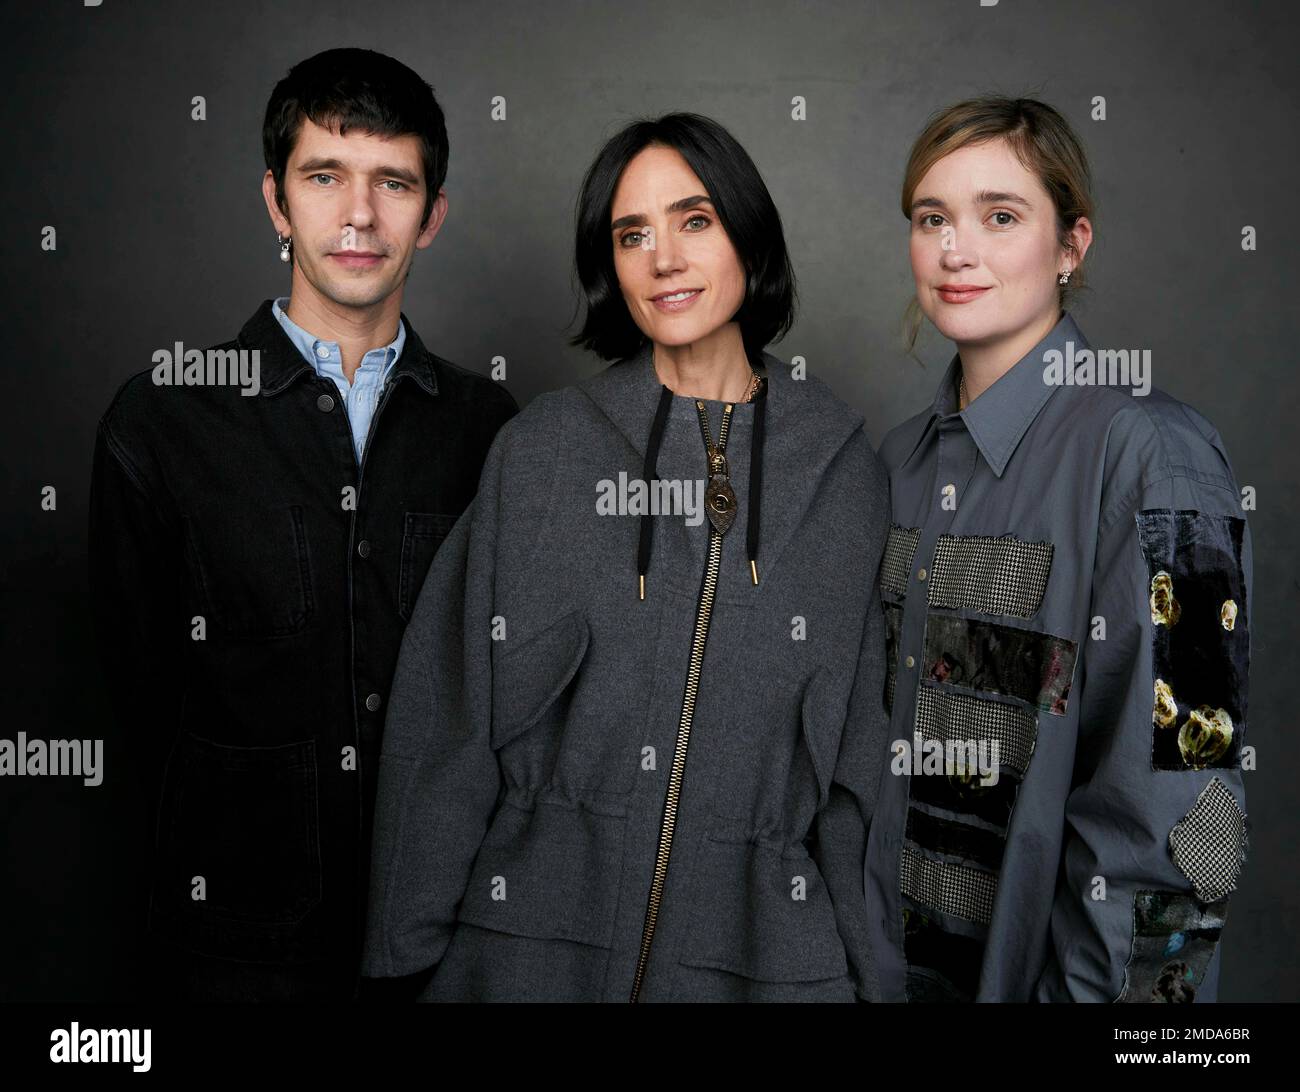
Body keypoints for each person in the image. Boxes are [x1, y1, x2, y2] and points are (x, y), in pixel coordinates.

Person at [360, 112, 891, 1001]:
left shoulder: (843, 472)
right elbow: (447, 716)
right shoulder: (542, 453)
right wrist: (402, 955)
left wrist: (875, 976)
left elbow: (858, 766)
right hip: (523, 956)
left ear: (746, 235)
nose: (664, 259)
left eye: (695, 221)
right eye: (631, 234)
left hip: (760, 964)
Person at [87, 48, 516, 1001]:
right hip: (230, 954)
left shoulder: (492, 430)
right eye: (325, 177)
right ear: (277, 203)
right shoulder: (161, 420)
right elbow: (135, 701)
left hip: (440, 947)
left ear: (432, 214)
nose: (359, 215)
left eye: (392, 183)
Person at [864, 96, 1251, 1002]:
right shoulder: (895, 465)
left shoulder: (1161, 457)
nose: (957, 250)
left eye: (1001, 216)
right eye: (933, 219)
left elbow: (1189, 813)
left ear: (1072, 245)